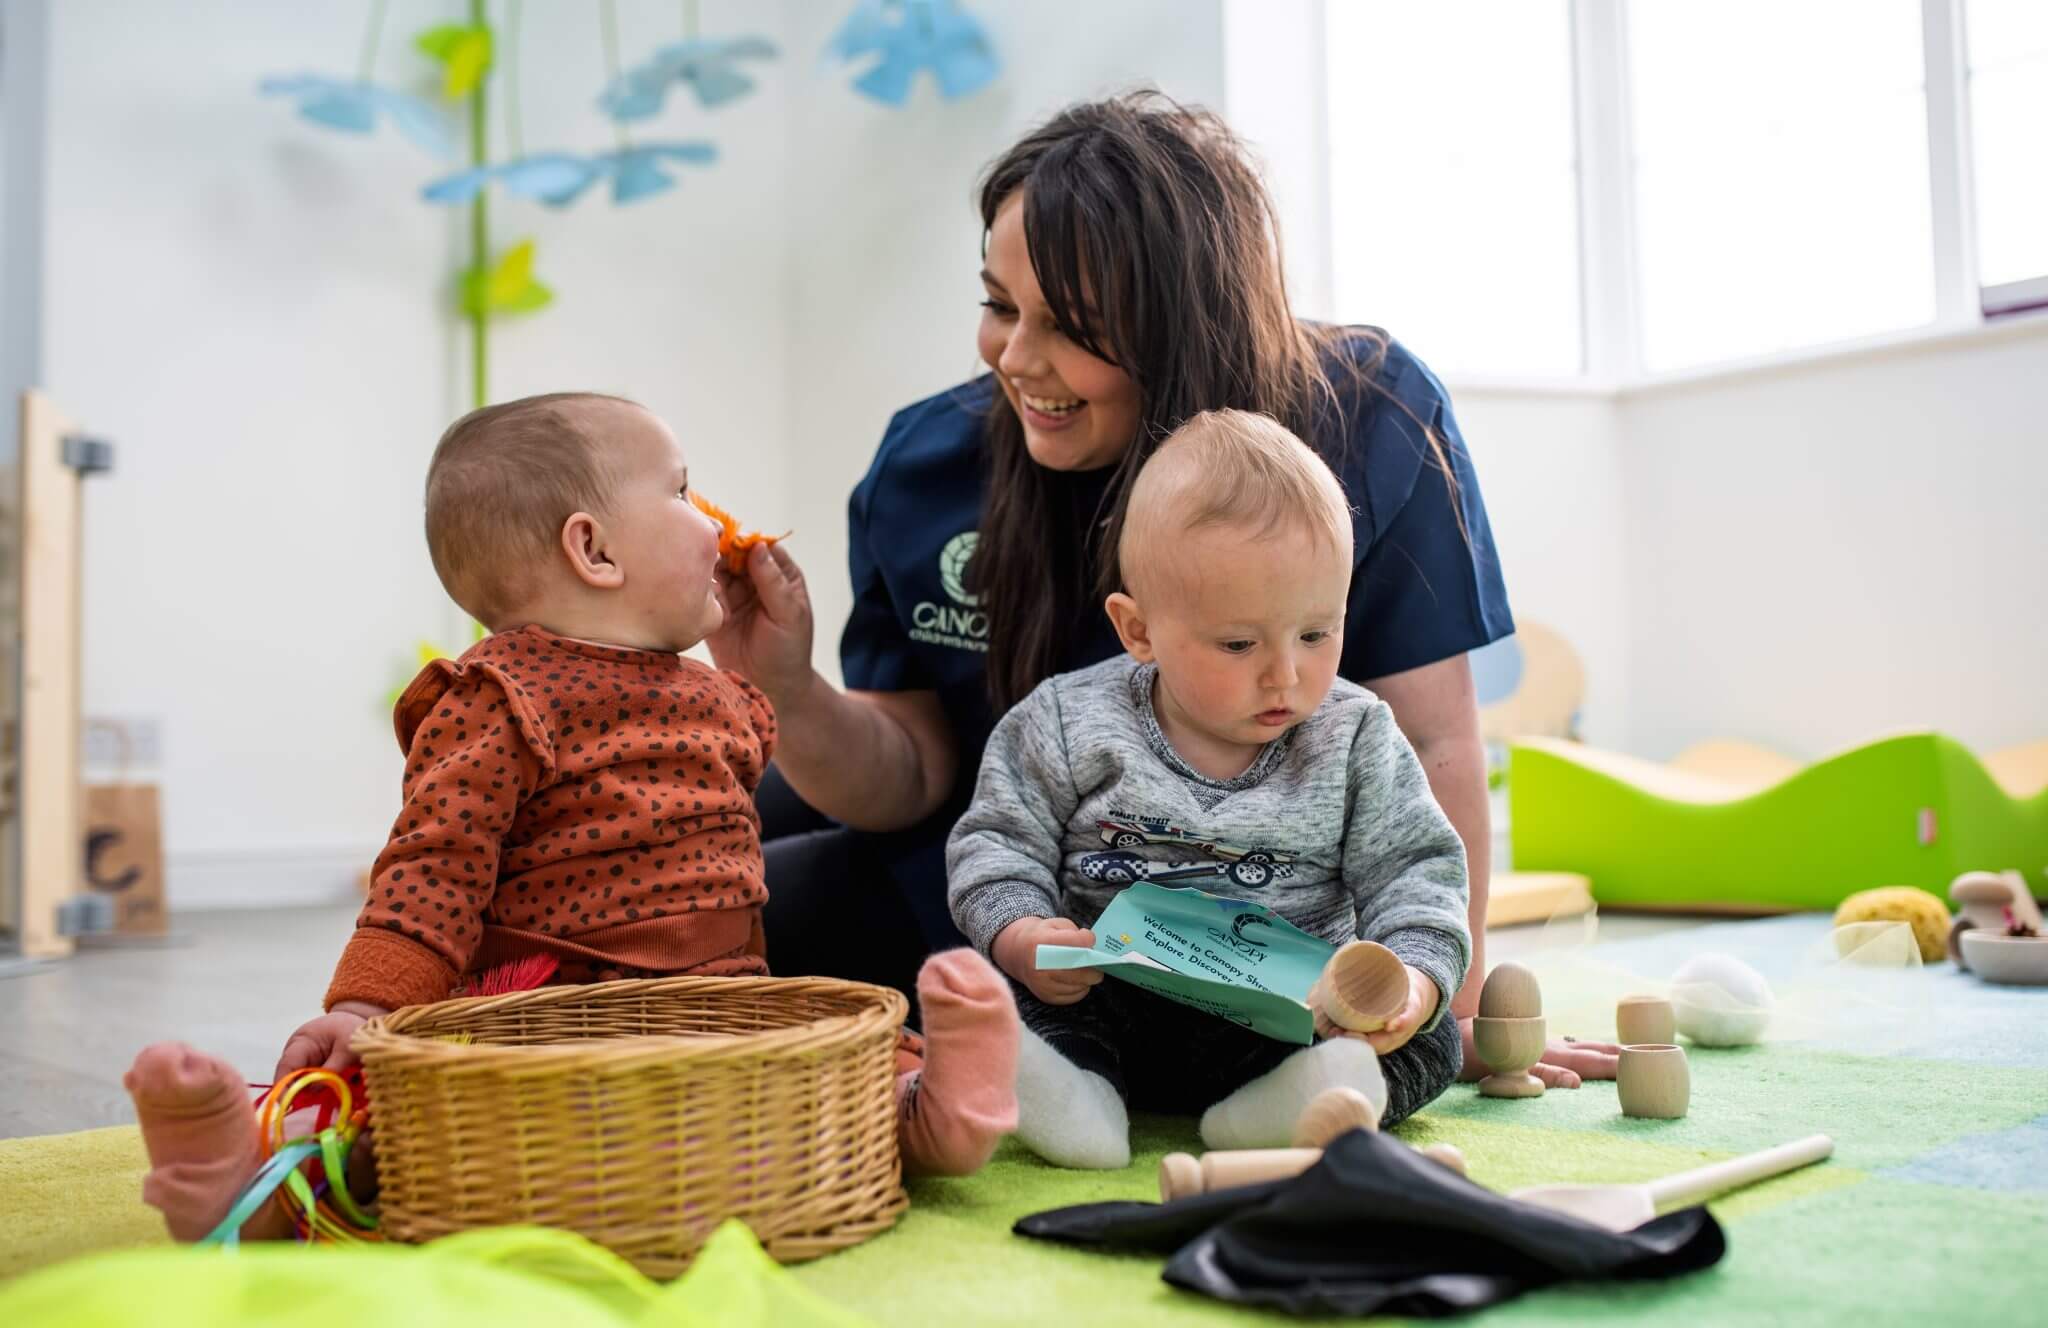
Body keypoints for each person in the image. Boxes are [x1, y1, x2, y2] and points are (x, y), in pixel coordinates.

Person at [710, 92, 1618, 1088]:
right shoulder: (926, 463)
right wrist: (784, 686)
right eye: (999, 307)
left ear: (1185, 322)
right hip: (1000, 870)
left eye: (1071, 326)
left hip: (1265, 910)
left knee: (735, 861)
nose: (1016, 358)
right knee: (706, 835)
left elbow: (1434, 741)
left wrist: (1447, 1009)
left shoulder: (1373, 417)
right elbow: (912, 778)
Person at [124, 393, 1019, 1244]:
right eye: (681, 492)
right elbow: (433, 866)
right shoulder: (498, 697)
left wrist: (777, 669)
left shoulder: (720, 694)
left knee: (820, 1062)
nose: (713, 522)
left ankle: (924, 1111)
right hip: (550, 1011)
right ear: (593, 550)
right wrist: (369, 1000)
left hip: (713, 1000)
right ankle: (241, 1177)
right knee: (413, 1125)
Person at [949, 410, 1469, 1168]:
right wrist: (1023, 934)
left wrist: (1412, 981)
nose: (1285, 675)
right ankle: (1078, 1098)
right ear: (1138, 631)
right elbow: (996, 842)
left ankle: (1288, 1106)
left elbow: (1418, 872)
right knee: (1007, 1001)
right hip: (1104, 997)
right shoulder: (1066, 722)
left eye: (1316, 633)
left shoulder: (1355, 735)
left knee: (1434, 1039)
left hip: (1292, 1020)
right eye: (1238, 643)